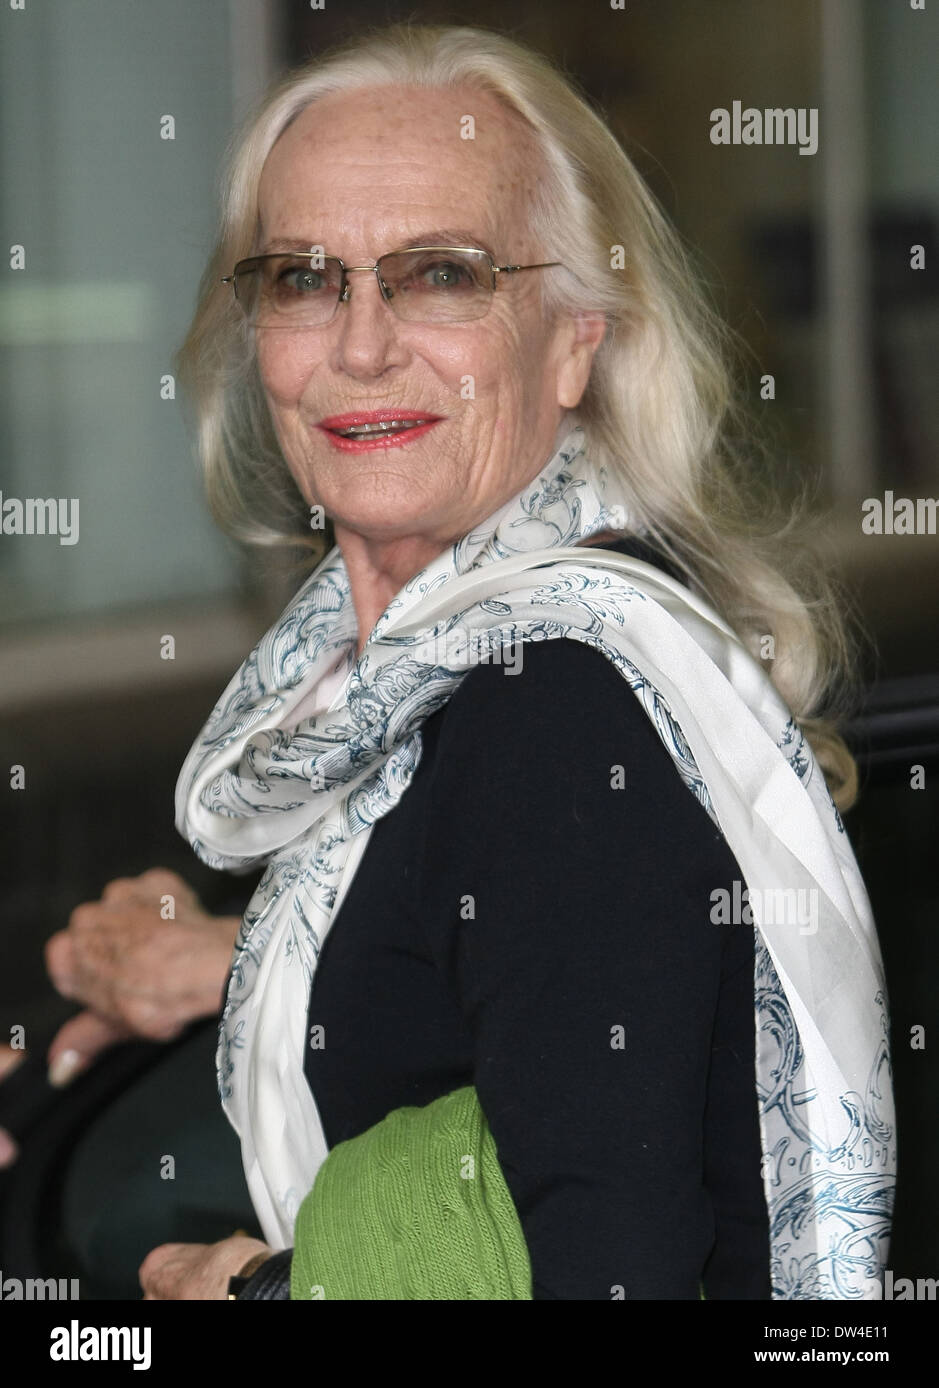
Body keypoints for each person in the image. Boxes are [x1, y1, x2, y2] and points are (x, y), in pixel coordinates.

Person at [95, 23, 893, 1299]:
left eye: (441, 275)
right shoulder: (439, 667)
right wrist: (231, 963)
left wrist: (259, 1291)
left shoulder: (556, 708)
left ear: (577, 335)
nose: (361, 346)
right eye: (307, 277)